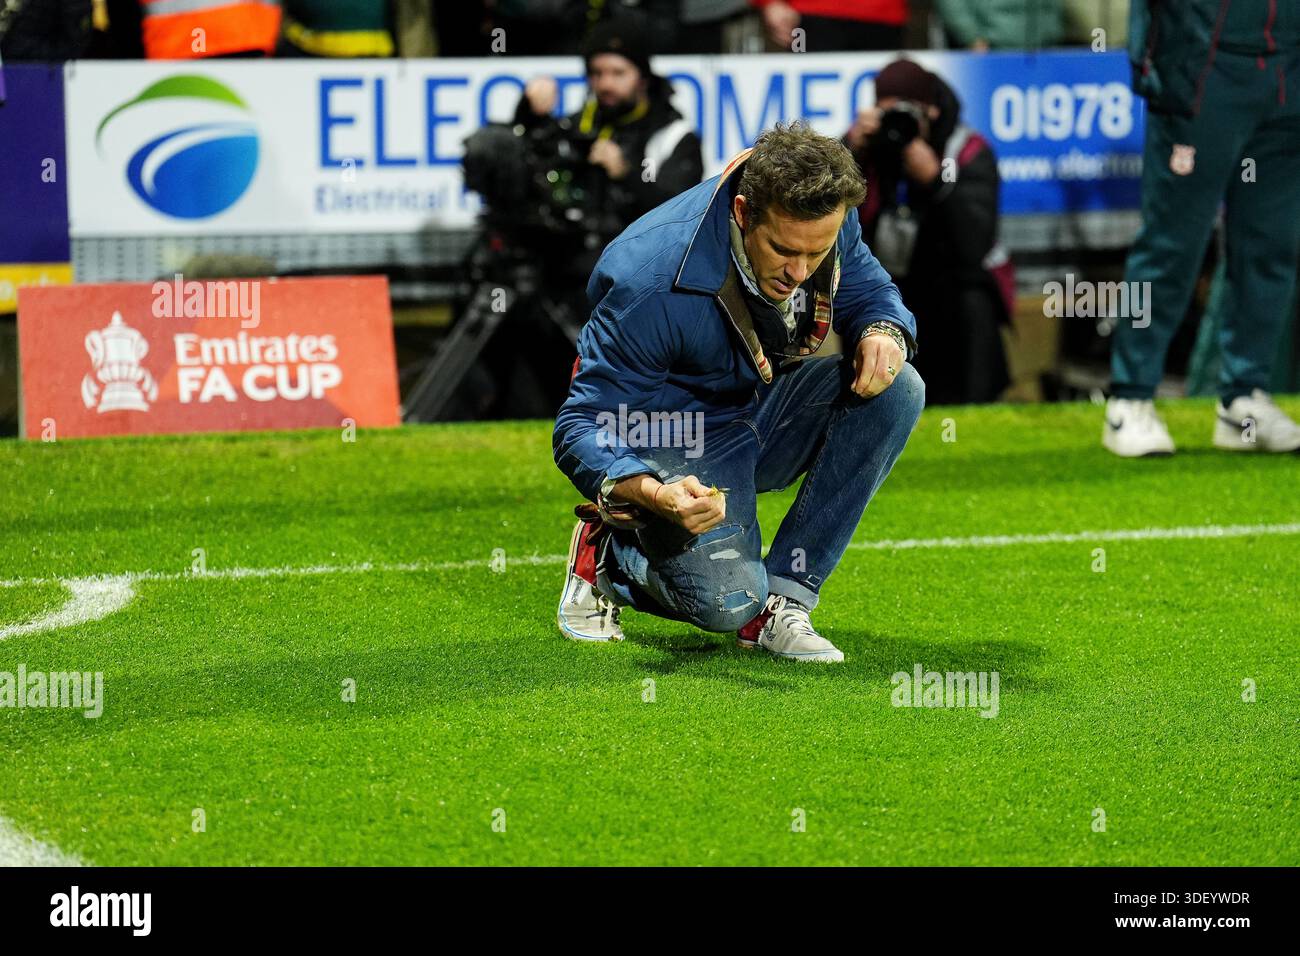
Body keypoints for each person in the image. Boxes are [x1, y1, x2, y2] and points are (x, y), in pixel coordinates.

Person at [553, 122, 923, 664]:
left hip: (761, 403)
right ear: (745, 213)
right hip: (671, 433)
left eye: (816, 254)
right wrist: (650, 493)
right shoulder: (649, 277)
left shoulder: (825, 218)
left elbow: (870, 289)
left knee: (899, 389)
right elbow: (581, 425)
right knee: (724, 603)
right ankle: (610, 553)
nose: (799, 272)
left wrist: (884, 331)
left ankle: (783, 601)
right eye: (783, 251)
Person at [1104, 0, 1300, 456]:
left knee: (1273, 243)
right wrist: (1156, 65)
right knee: (1171, 243)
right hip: (1205, 69)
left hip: (1289, 72)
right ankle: (1129, 398)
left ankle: (1243, 398)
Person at [846, 58, 1012, 405]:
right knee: (864, 297)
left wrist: (938, 182)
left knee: (970, 301)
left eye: (908, 112)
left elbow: (974, 242)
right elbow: (827, 217)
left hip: (954, 284)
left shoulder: (966, 150)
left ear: (932, 110)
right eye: (887, 112)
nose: (899, 124)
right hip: (893, 281)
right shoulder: (869, 147)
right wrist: (849, 152)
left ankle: (971, 404)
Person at [514, 19, 704, 244]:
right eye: (597, 73)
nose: (605, 85)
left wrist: (626, 173)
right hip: (570, 256)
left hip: (640, 262)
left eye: (618, 73)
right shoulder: (577, 128)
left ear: (643, 79)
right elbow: (525, 156)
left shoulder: (674, 136)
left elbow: (681, 216)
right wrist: (529, 112)